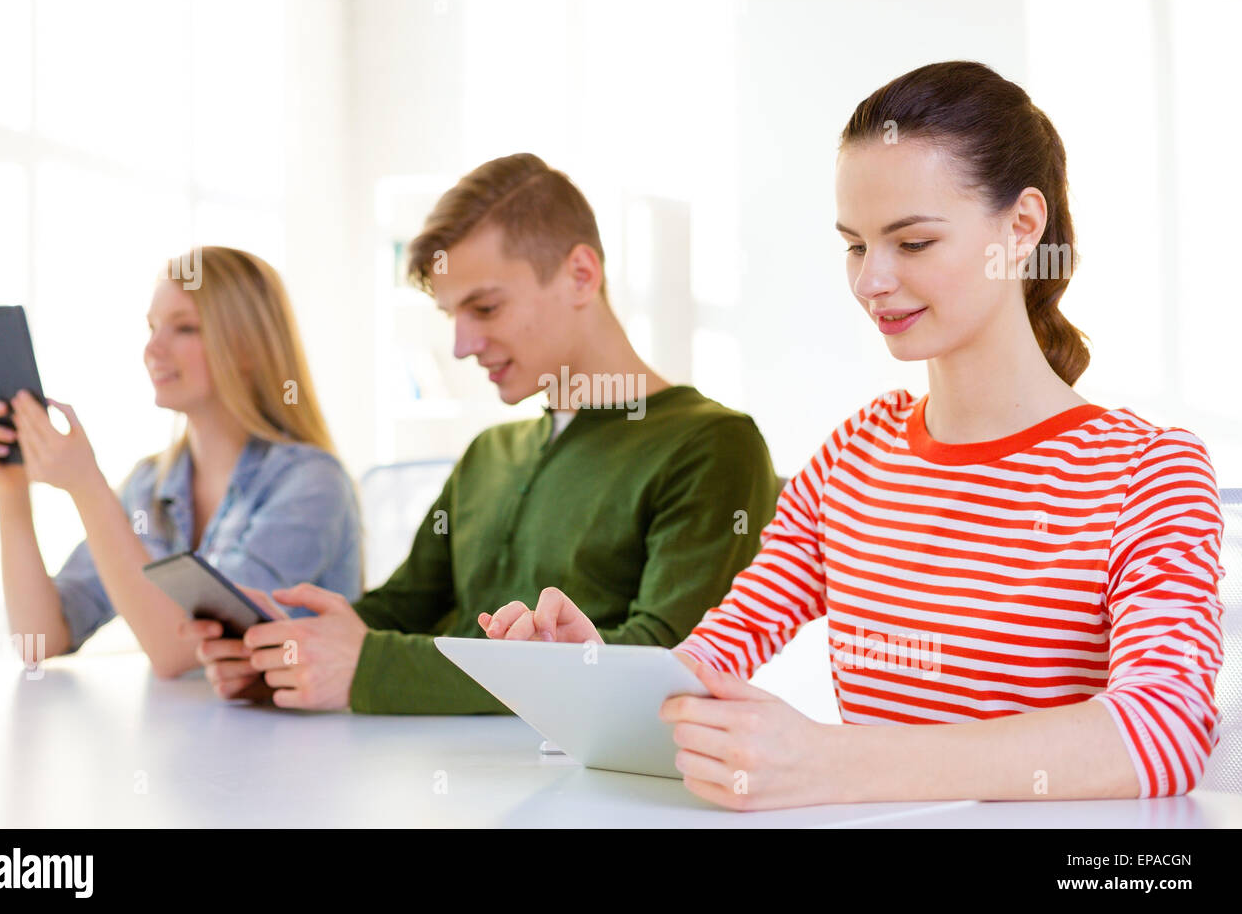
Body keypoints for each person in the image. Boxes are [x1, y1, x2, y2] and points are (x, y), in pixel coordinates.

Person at [481, 62, 1226, 807]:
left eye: (914, 243)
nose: (871, 280)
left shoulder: (1148, 474)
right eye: (856, 245)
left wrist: (834, 761)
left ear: (1021, 227)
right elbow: (719, 651)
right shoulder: (853, 458)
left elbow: (1163, 730)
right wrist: (602, 689)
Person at [184, 153, 781, 712]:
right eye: (452, 317)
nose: (462, 346)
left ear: (580, 275)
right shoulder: (491, 452)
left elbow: (664, 664)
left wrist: (369, 667)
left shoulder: (713, 447)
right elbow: (407, 609)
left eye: (486, 309)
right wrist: (286, 648)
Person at [0, 246, 361, 679]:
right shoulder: (150, 484)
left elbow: (181, 651)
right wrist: (11, 489)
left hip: (297, 743)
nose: (152, 349)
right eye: (152, 328)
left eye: (185, 328)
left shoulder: (311, 484)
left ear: (250, 348)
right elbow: (39, 638)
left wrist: (86, 486)